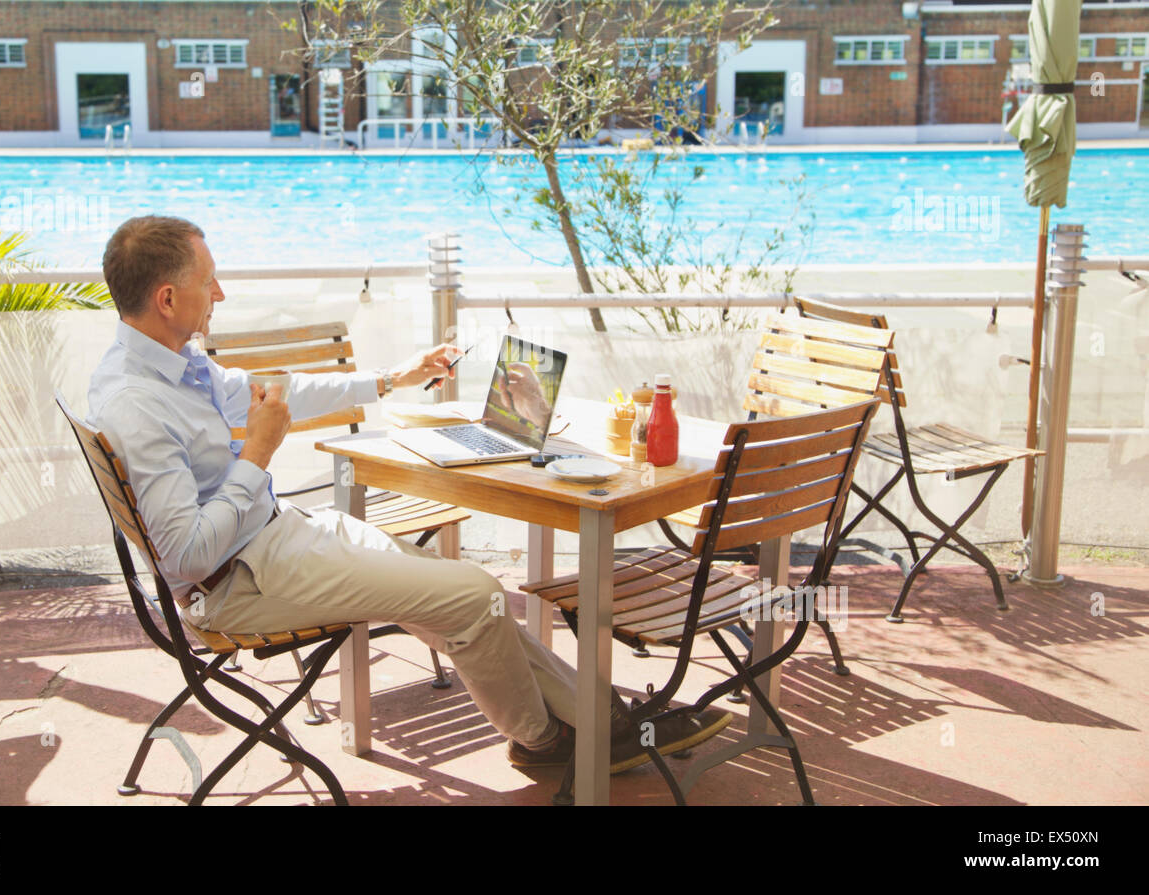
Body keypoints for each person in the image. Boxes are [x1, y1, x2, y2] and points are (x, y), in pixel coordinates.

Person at [87, 215, 726, 776]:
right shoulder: (139, 404)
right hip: (234, 584)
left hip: (275, 538)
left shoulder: (172, 363)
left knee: (459, 590)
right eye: (209, 281)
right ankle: (544, 740)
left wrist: (396, 377)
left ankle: (606, 720)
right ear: (168, 298)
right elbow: (185, 557)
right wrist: (257, 453)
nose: (219, 293)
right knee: (474, 595)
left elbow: (277, 391)